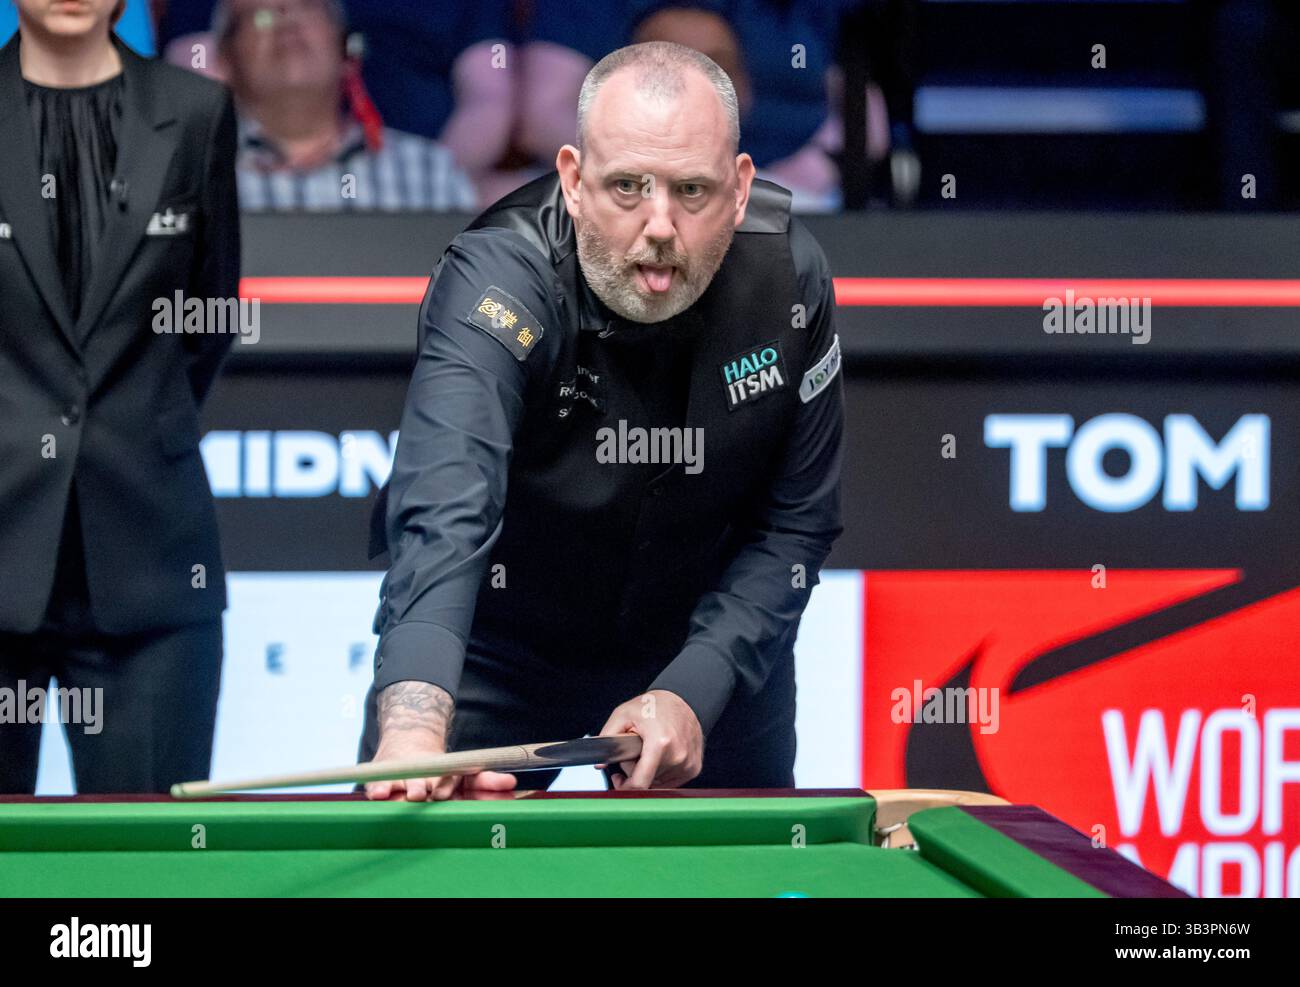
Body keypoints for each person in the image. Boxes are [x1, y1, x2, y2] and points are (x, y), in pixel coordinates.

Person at [359, 41, 845, 800]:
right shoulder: (497, 280)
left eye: (692, 190)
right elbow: (445, 506)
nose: (659, 226)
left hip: (706, 643)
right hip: (500, 652)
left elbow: (795, 524)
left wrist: (692, 688)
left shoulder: (789, 279)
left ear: (741, 188)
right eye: (626, 187)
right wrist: (419, 718)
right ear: (574, 181)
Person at [0, 0, 238, 792]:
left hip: (151, 562)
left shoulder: (196, 110)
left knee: (149, 869)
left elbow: (206, 316)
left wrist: (140, 428)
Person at [212, 0, 476, 211]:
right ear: (225, 62)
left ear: (349, 49)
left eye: (307, 6)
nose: (287, 22)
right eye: (261, 15)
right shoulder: (197, 179)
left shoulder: (431, 174)